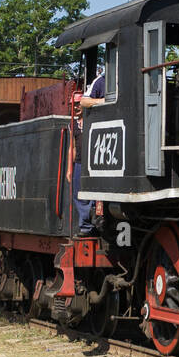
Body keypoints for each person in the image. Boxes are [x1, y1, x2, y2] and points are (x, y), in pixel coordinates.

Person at [73, 67, 106, 234]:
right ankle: (86, 225)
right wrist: (104, 101)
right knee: (81, 192)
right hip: (81, 159)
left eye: (77, 105)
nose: (77, 108)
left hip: (99, 150)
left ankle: (97, 220)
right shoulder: (101, 80)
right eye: (75, 105)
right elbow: (85, 101)